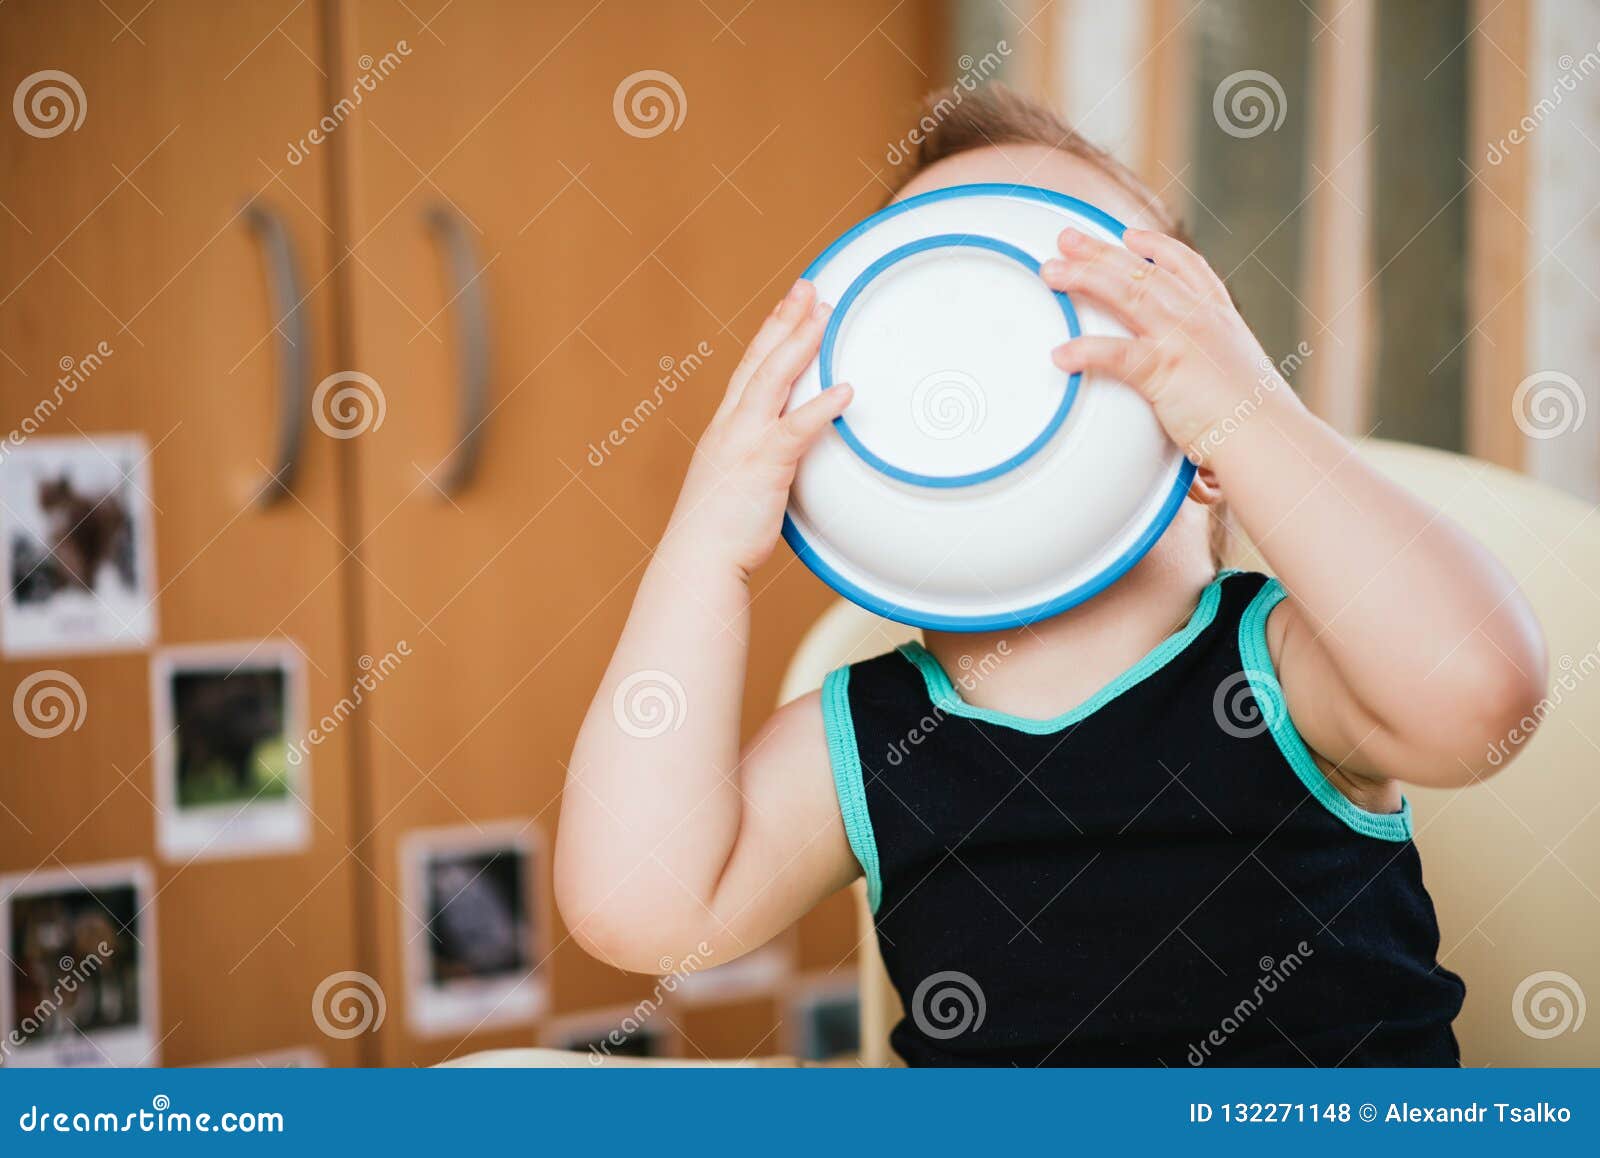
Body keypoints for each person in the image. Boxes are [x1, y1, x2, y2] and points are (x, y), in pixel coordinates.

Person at [555, 87, 1547, 1066]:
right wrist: (705, 548)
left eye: (1099, 282)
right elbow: (637, 908)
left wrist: (1250, 410)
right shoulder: (868, 740)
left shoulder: (1281, 667)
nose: (990, 354)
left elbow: (1477, 696)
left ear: (1206, 455)